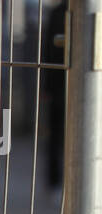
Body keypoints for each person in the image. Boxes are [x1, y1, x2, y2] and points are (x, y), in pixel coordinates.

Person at [41, 0, 67, 190]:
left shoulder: (57, 13)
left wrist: (47, 87)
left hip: (58, 85)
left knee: (56, 137)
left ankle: (55, 182)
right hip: (60, 86)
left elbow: (47, 53)